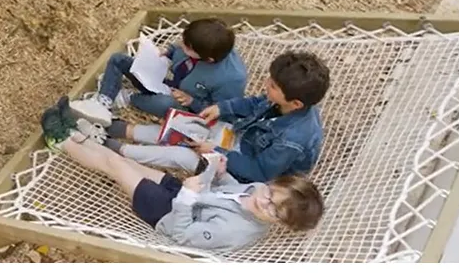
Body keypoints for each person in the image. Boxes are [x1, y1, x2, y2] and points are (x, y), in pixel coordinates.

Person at [42, 101, 324, 252]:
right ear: (273, 185)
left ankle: (61, 138)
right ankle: (76, 135)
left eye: (274, 211)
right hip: (183, 194)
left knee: (116, 166)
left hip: (167, 214)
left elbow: (182, 236)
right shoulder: (258, 190)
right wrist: (223, 175)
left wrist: (188, 196)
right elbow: (232, 192)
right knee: (118, 160)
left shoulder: (237, 231)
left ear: (279, 224)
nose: (264, 202)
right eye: (270, 194)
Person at [87, 50, 330, 183]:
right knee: (190, 126)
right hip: (242, 139)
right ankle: (120, 129)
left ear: (296, 103)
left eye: (274, 86)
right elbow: (253, 102)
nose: (267, 85)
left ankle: (117, 149)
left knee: (184, 153)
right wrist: (222, 109)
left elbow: (259, 172)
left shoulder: (293, 139)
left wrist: (215, 151)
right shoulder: (283, 102)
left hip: (252, 171)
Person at [69, 19, 247, 123]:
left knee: (164, 104)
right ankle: (103, 103)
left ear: (208, 59)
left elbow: (221, 111)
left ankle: (128, 98)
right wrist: (168, 51)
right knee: (118, 59)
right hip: (167, 81)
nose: (181, 44)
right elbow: (180, 43)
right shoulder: (202, 43)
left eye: (187, 47)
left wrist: (191, 101)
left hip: (185, 103)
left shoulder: (231, 78)